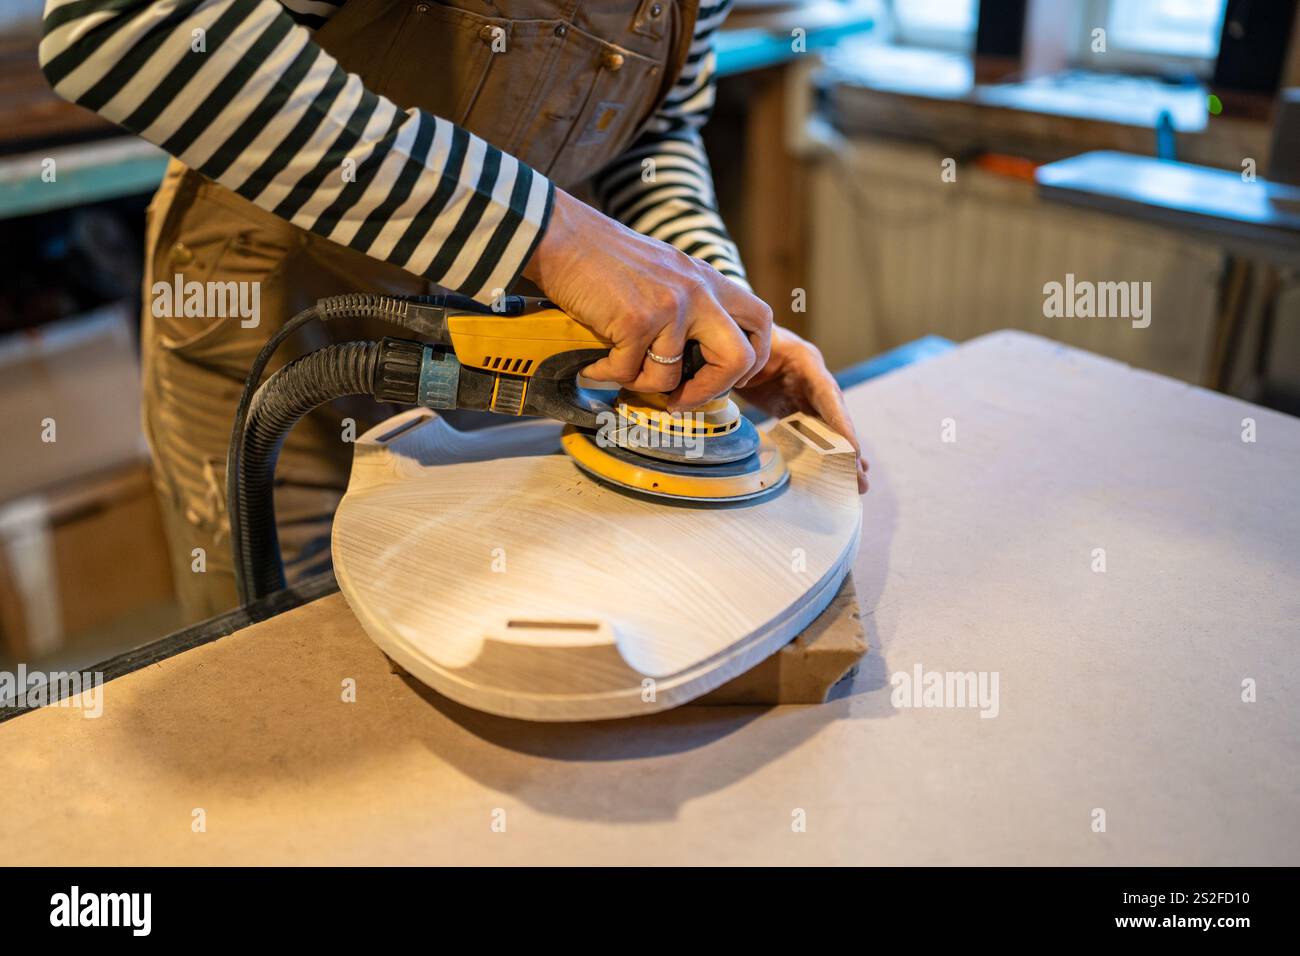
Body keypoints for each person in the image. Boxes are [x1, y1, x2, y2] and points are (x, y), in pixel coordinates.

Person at [39, 0, 869, 621]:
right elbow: (128, 28)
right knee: (298, 691)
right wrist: (558, 238)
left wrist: (705, 303)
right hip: (280, 333)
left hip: (504, 348)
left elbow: (655, 136)